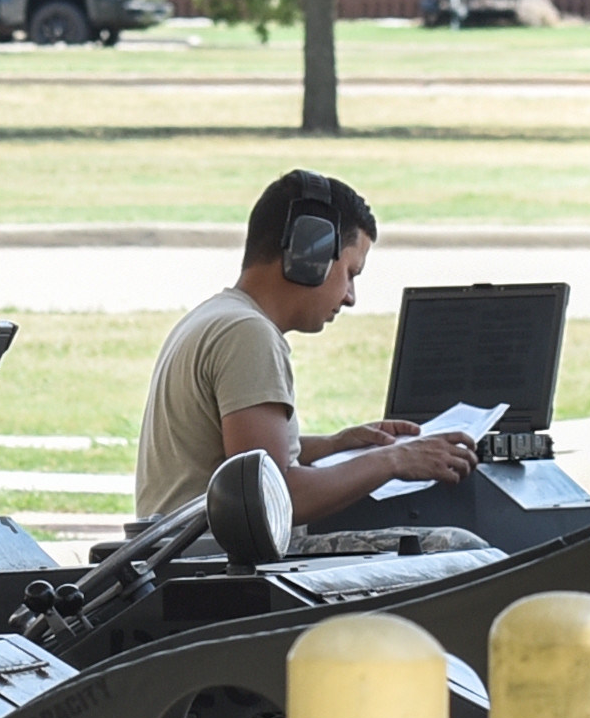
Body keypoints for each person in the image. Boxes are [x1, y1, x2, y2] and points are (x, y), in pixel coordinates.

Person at [136, 169, 485, 526]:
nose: (350, 297)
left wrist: (335, 445)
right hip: (214, 557)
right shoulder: (248, 335)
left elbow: (238, 459)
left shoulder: (218, 317)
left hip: (188, 553)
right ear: (309, 254)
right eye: (350, 273)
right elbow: (268, 499)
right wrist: (394, 460)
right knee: (463, 548)